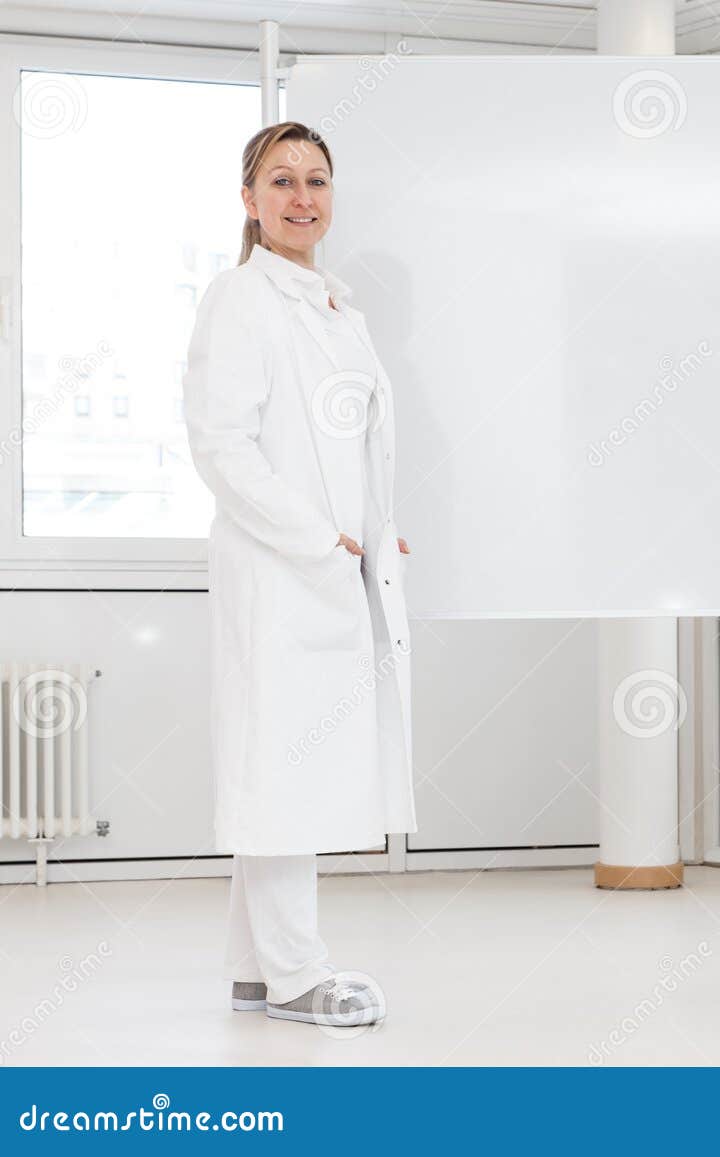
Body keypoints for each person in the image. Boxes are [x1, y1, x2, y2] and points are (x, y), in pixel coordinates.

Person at [183, 121, 416, 1027]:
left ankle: (253, 965)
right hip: (280, 574)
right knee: (281, 772)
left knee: (284, 767)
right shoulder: (241, 299)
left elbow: (350, 448)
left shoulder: (332, 305)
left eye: (316, 180)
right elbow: (223, 448)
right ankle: (295, 974)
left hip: (328, 569)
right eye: (281, 181)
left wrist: (371, 533)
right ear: (249, 200)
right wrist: (319, 538)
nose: (301, 197)